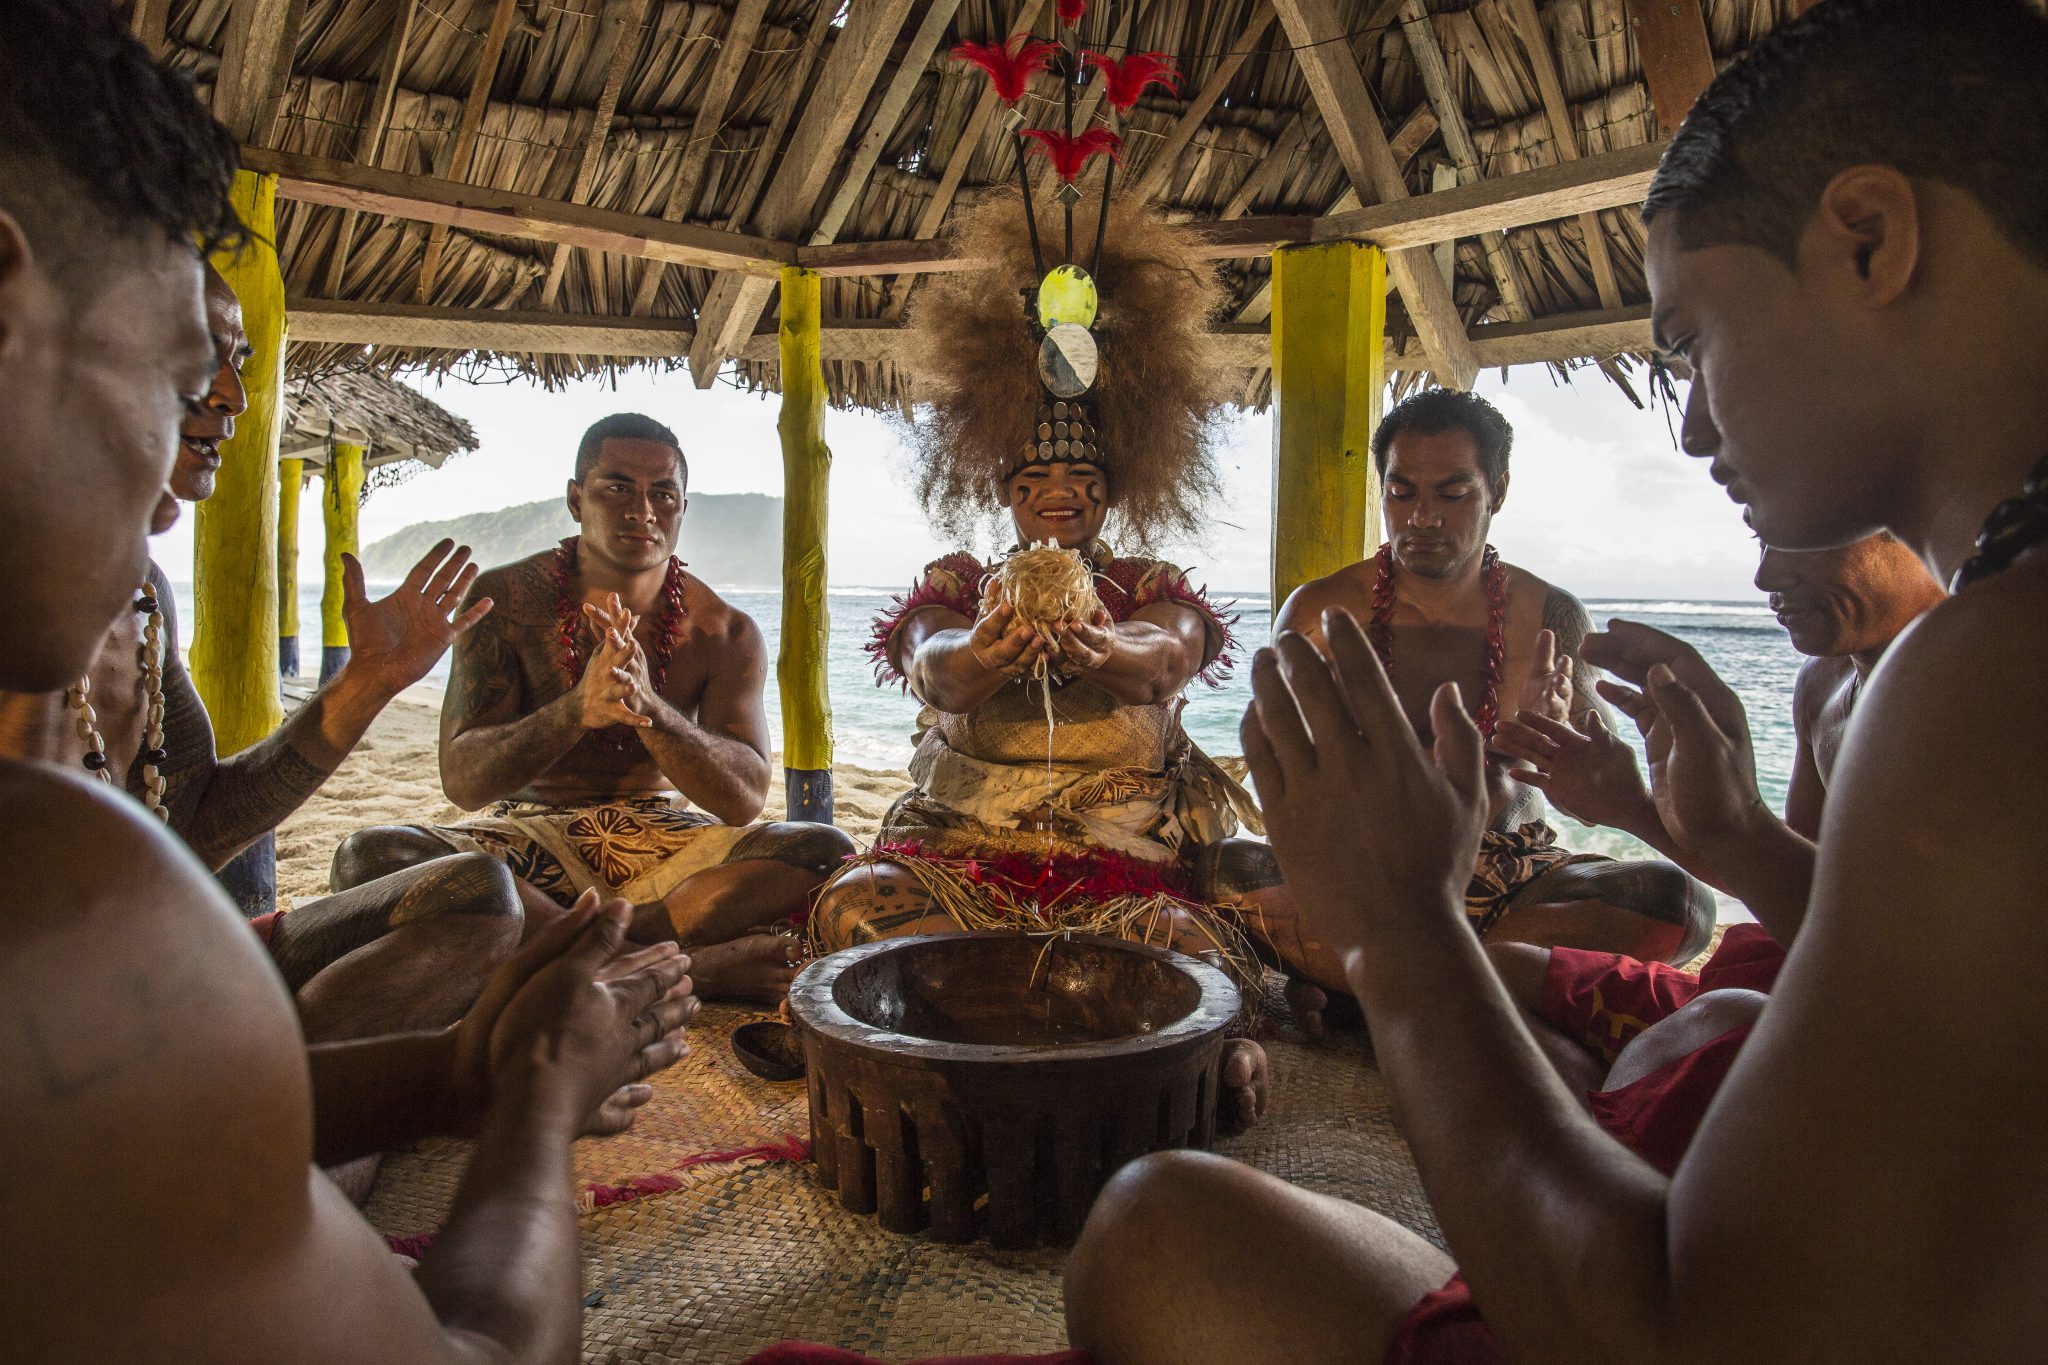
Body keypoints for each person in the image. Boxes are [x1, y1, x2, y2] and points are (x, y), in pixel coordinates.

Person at [1063, 2, 2048, 1361]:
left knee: (1156, 1232)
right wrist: (1728, 837)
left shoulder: (1993, 676)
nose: (1693, 422)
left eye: (1692, 340)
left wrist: (1406, 940)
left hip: (1524, 1001)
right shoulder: (1992, 643)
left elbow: (1708, 1335)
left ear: (1869, 238)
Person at [0, 5, 696, 1361]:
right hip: (181, 1004)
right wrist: (537, 1104)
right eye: (170, 375)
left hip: (201, 1002)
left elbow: (188, 813)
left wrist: (447, 1075)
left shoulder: (112, 655)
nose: (164, 483)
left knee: (480, 896)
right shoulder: (51, 899)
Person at [808, 193, 1270, 1125]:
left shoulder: (1148, 584)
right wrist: (984, 654)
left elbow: (1163, 661)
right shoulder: (957, 579)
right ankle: (1100, 1043)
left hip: (1120, 863)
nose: (1057, 497)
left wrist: (1104, 646)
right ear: (1008, 496)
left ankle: (991, 1037)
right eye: (1035, 484)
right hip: (959, 859)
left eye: (1079, 483)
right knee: (853, 907)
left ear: (1108, 495)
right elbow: (931, 666)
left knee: (1186, 942)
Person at [0, 262, 530, 1050]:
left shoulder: (142, 591)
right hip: (47, 1024)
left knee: (476, 896)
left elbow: (198, 823)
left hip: (158, 960)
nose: (232, 395)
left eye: (237, 360)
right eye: (194, 350)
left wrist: (367, 684)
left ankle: (291, 1108)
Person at [1206, 389, 1715, 1034]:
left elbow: (1591, 795)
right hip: (1366, 884)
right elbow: (1283, 782)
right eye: (1401, 493)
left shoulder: (1549, 617)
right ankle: (1486, 988)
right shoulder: (1319, 612)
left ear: (1496, 491)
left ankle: (1380, 987)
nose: (1421, 517)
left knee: (1676, 901)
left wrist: (1555, 739)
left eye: (1452, 494)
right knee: (1221, 870)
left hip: (1513, 879)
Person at [332, 413, 854, 1005]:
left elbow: (744, 800)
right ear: (576, 500)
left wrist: (649, 706)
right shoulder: (502, 604)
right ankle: (671, 966)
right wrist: (576, 708)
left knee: (822, 850)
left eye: (663, 493)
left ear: (683, 508)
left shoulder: (724, 632)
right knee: (370, 860)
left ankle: (586, 952)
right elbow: (464, 782)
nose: (643, 510)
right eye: (617, 487)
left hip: (663, 843)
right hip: (522, 835)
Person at [1484, 533, 1946, 1088]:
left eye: (1804, 539)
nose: (1767, 578)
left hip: (1906, 1024)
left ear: (1912, 527)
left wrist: (1736, 823)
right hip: (1803, 980)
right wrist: (1633, 808)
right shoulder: (1823, 684)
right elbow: (1792, 902)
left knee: (1715, 1028)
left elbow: (1932, 977)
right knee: (1492, 976)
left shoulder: (1992, 686)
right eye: (1762, 540)